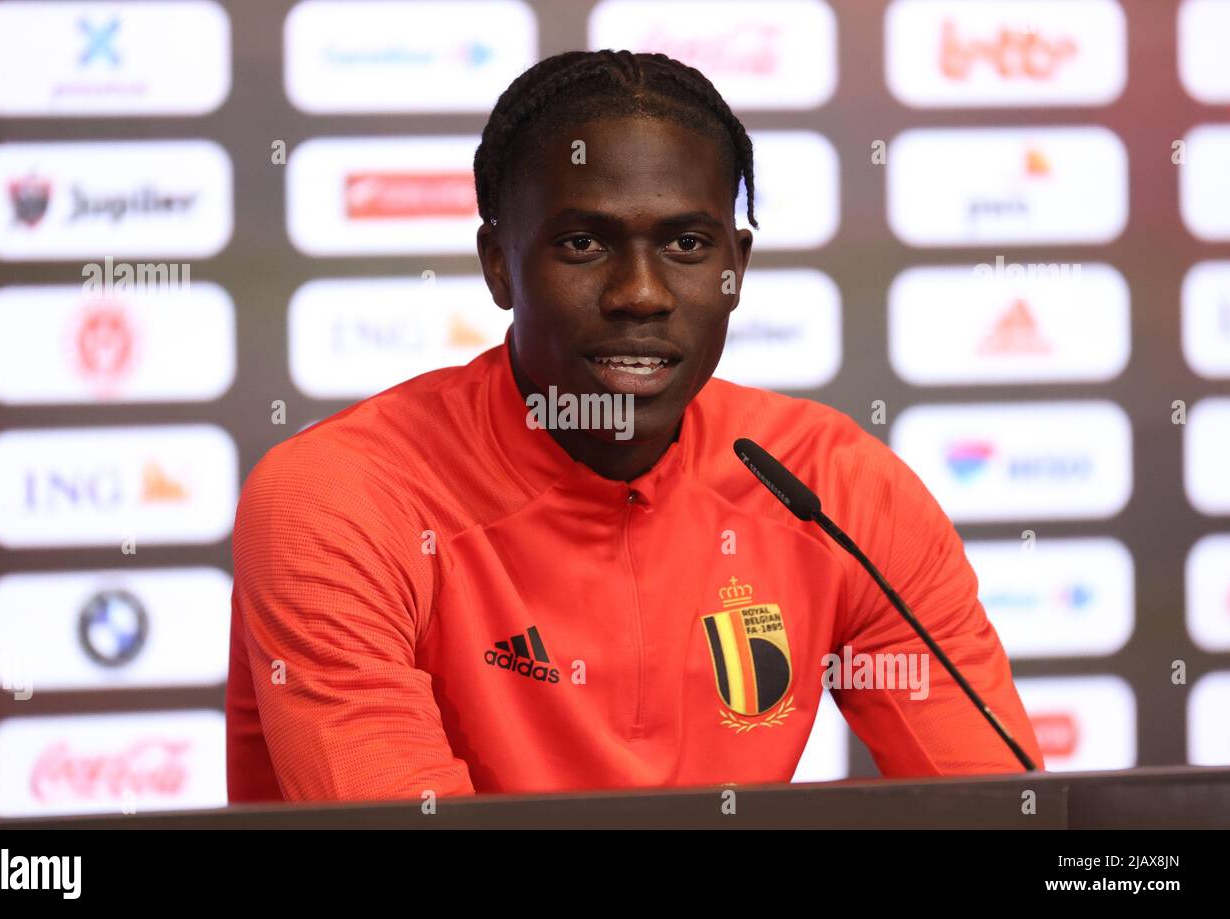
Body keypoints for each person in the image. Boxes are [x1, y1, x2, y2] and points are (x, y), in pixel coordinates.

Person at [225, 49, 1043, 802]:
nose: (642, 293)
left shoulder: (837, 490)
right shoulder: (339, 501)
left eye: (687, 243)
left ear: (736, 269)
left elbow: (1014, 821)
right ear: (499, 263)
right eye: (584, 243)